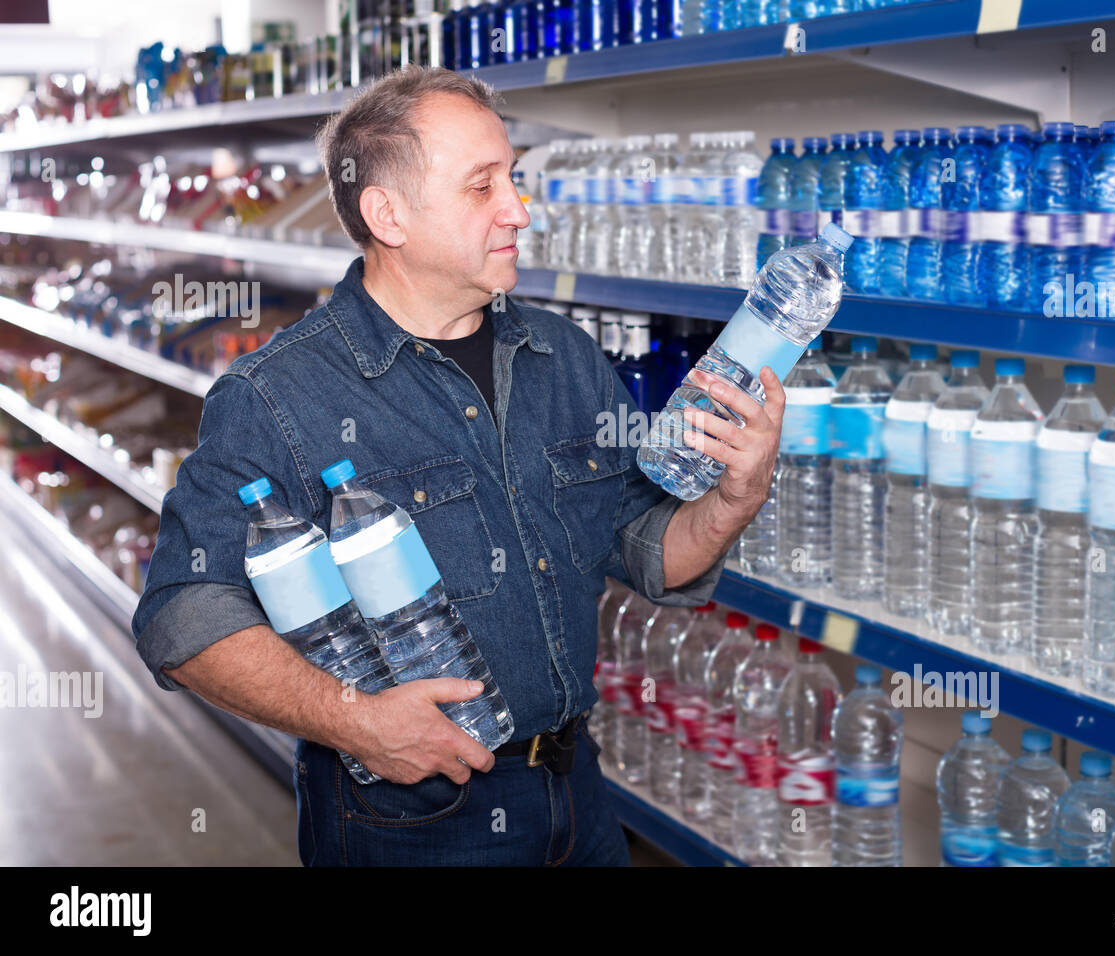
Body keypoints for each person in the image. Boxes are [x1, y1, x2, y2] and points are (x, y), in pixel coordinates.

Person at [130, 67, 786, 866]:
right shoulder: (276, 397)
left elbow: (646, 548)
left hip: (579, 796)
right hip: (411, 821)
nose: (519, 208)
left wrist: (737, 495)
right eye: (483, 187)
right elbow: (181, 615)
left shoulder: (565, 359)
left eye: (513, 177)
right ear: (388, 214)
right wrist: (353, 720)